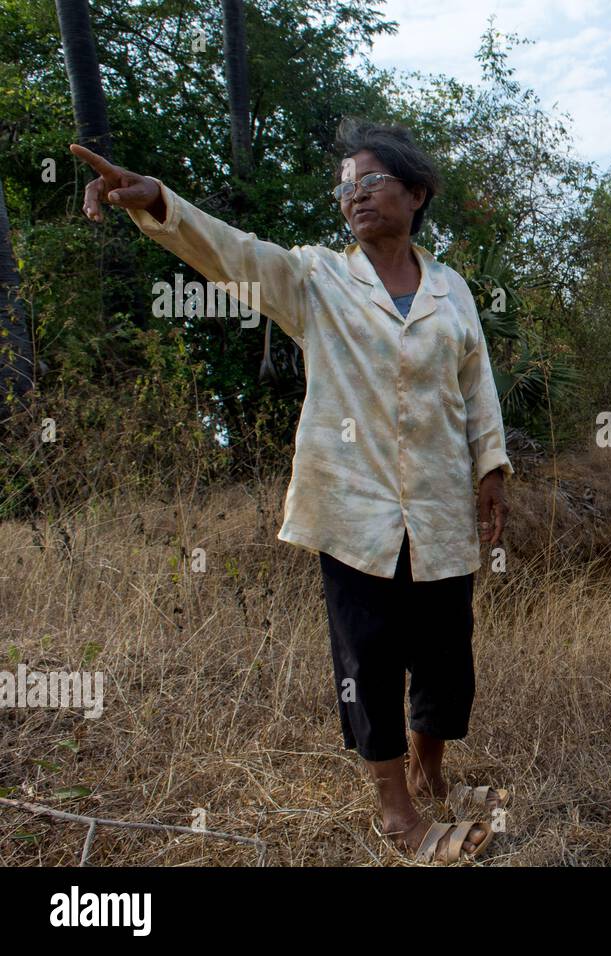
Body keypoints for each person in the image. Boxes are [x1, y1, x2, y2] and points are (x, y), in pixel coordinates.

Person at [70, 118, 513, 864]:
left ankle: (431, 770)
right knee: (368, 656)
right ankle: (396, 811)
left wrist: (490, 469)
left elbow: (477, 384)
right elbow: (233, 254)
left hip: (438, 505)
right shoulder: (317, 278)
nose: (355, 195)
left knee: (445, 653)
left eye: (371, 181)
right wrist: (159, 203)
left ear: (417, 192)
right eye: (345, 186)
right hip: (352, 507)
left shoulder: (452, 290)